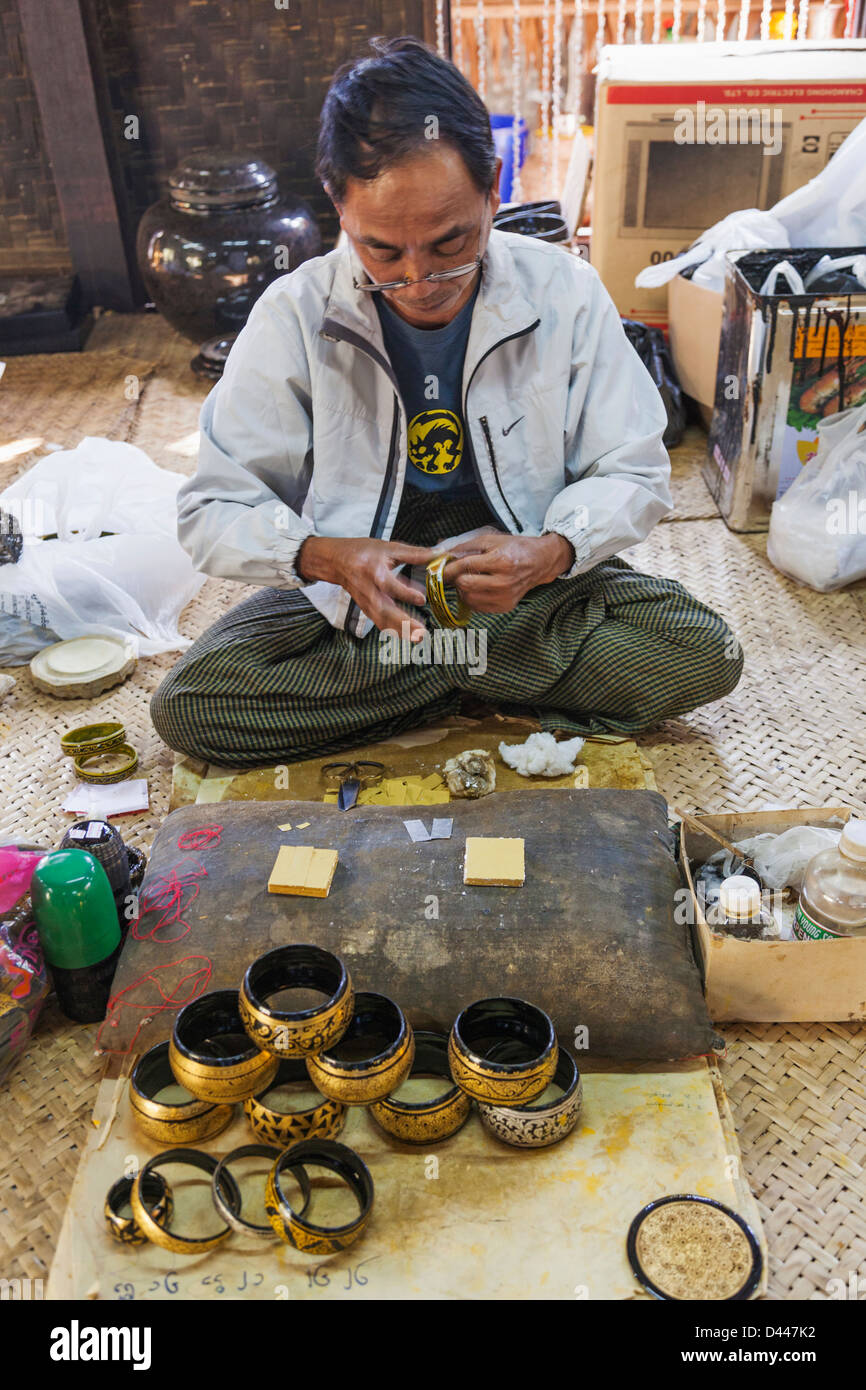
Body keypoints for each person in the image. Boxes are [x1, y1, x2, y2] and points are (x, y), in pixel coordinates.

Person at [151, 36, 743, 770]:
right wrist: (324, 557)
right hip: (370, 597)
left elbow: (635, 471)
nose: (422, 281)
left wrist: (551, 550)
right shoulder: (293, 315)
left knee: (703, 651)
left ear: (494, 187)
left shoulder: (564, 290)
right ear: (338, 205)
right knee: (194, 703)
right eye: (384, 252)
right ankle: (491, 674)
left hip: (522, 582)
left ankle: (423, 679)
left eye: (449, 240)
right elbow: (212, 509)